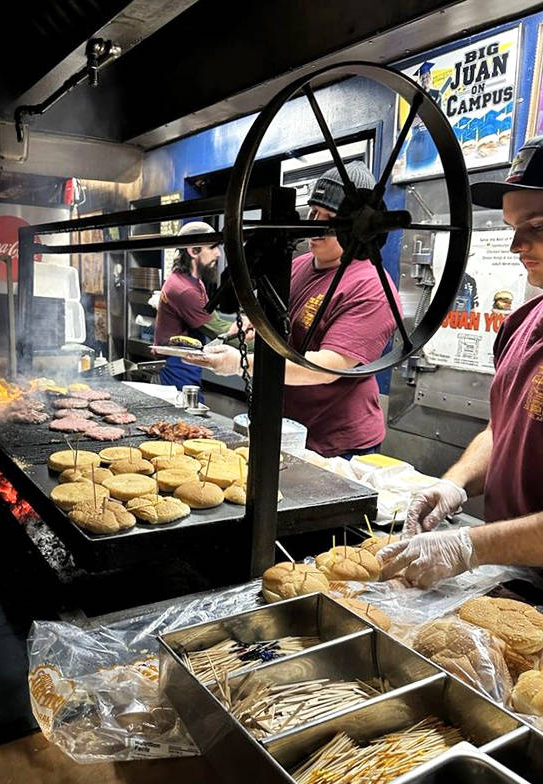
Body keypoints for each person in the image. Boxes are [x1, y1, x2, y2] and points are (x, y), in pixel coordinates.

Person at [380, 136, 543, 588]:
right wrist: (455, 484)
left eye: (538, 228)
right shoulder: (524, 323)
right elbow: (503, 428)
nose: (516, 246)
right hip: (513, 575)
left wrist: (470, 545)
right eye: (511, 226)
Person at [184, 161, 400, 459]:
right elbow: (273, 314)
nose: (315, 226)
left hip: (336, 441)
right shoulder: (296, 266)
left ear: (358, 229)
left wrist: (242, 364)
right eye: (313, 213)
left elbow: (325, 368)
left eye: (330, 218)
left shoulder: (370, 288)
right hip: (285, 423)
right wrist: (252, 323)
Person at [154, 221, 246, 390]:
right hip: (177, 363)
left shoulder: (191, 279)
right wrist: (265, 345)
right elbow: (217, 330)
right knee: (183, 412)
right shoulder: (185, 290)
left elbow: (211, 317)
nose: (218, 254)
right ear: (193, 251)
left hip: (186, 358)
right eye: (212, 247)